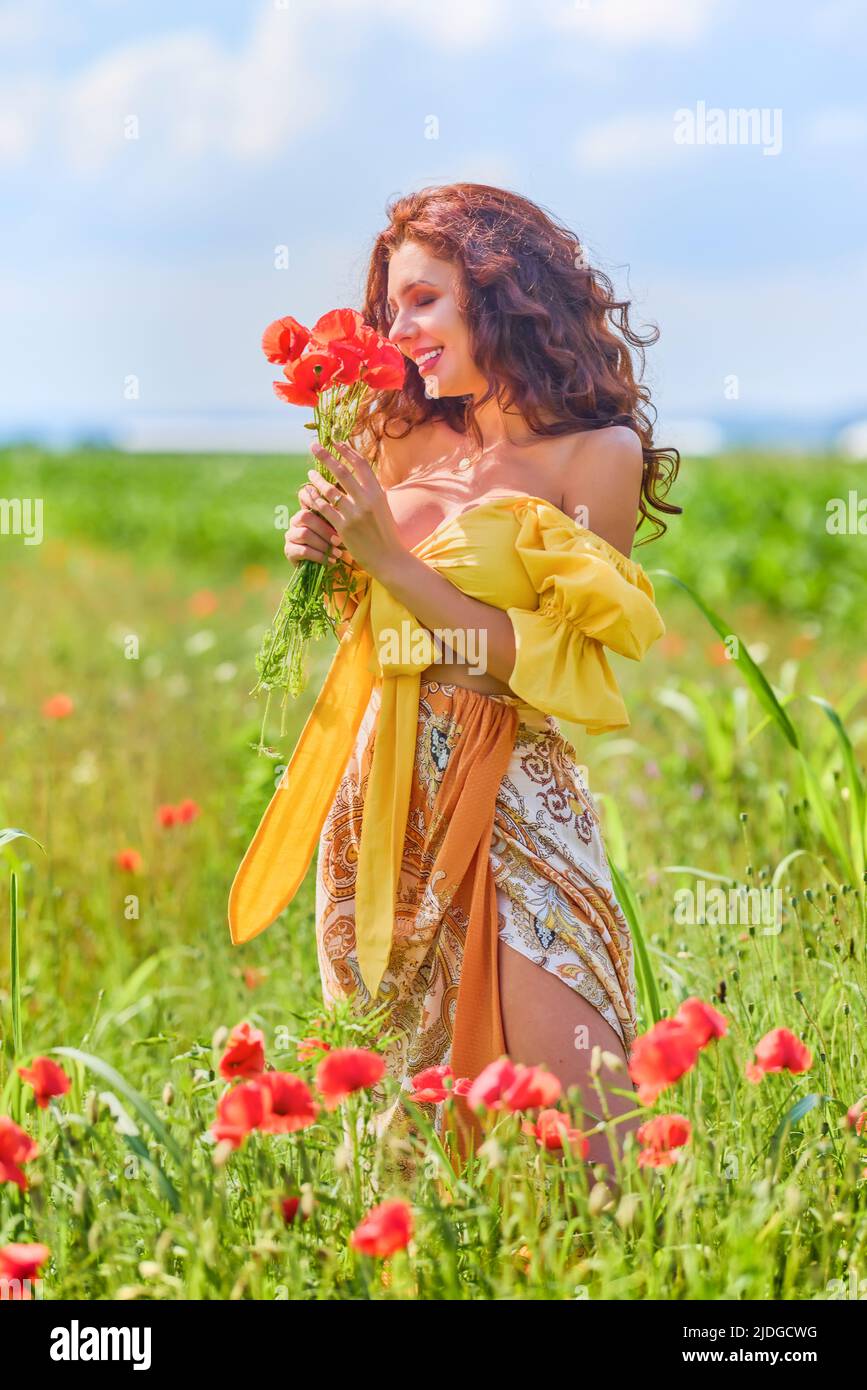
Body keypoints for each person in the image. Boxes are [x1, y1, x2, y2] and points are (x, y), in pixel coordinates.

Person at [229, 183, 680, 1176]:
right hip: (387, 785)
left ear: (499, 291)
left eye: (422, 300)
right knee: (408, 1121)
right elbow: (386, 631)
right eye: (392, 306)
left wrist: (390, 559)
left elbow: (549, 672)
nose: (399, 330)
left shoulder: (594, 456)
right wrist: (333, 562)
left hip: (517, 787)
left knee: (593, 1113)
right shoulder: (393, 433)